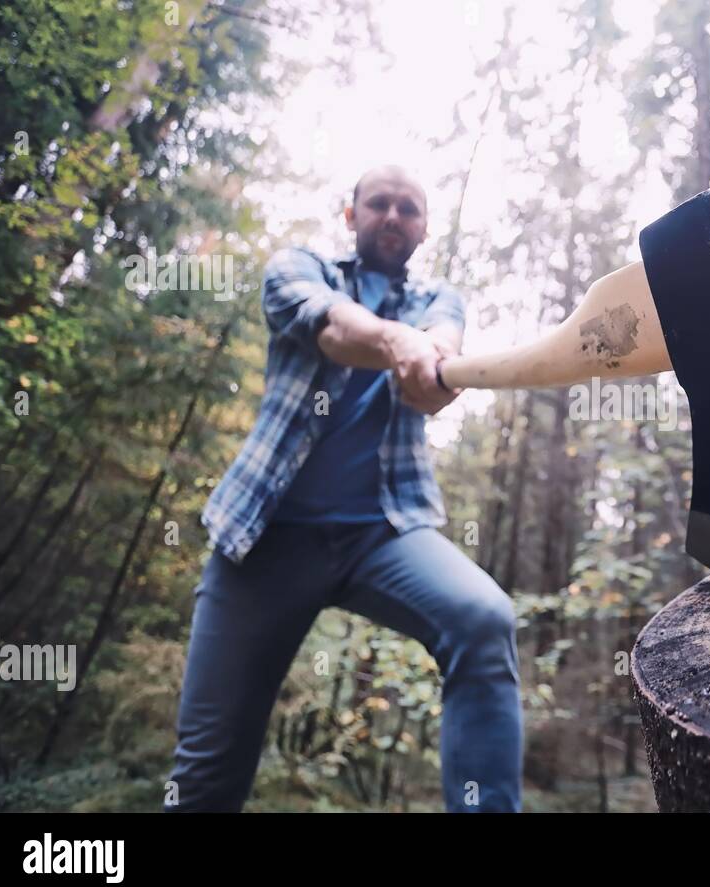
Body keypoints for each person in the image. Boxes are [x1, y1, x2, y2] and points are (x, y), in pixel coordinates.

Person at [164, 165, 523, 812]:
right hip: (264, 538)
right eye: (379, 203)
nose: (393, 216)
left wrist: (432, 364)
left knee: (483, 618)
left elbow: (438, 359)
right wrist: (396, 341)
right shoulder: (298, 266)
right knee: (206, 775)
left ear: (424, 227)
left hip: (383, 535)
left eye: (408, 208)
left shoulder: (439, 298)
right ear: (351, 214)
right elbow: (331, 329)